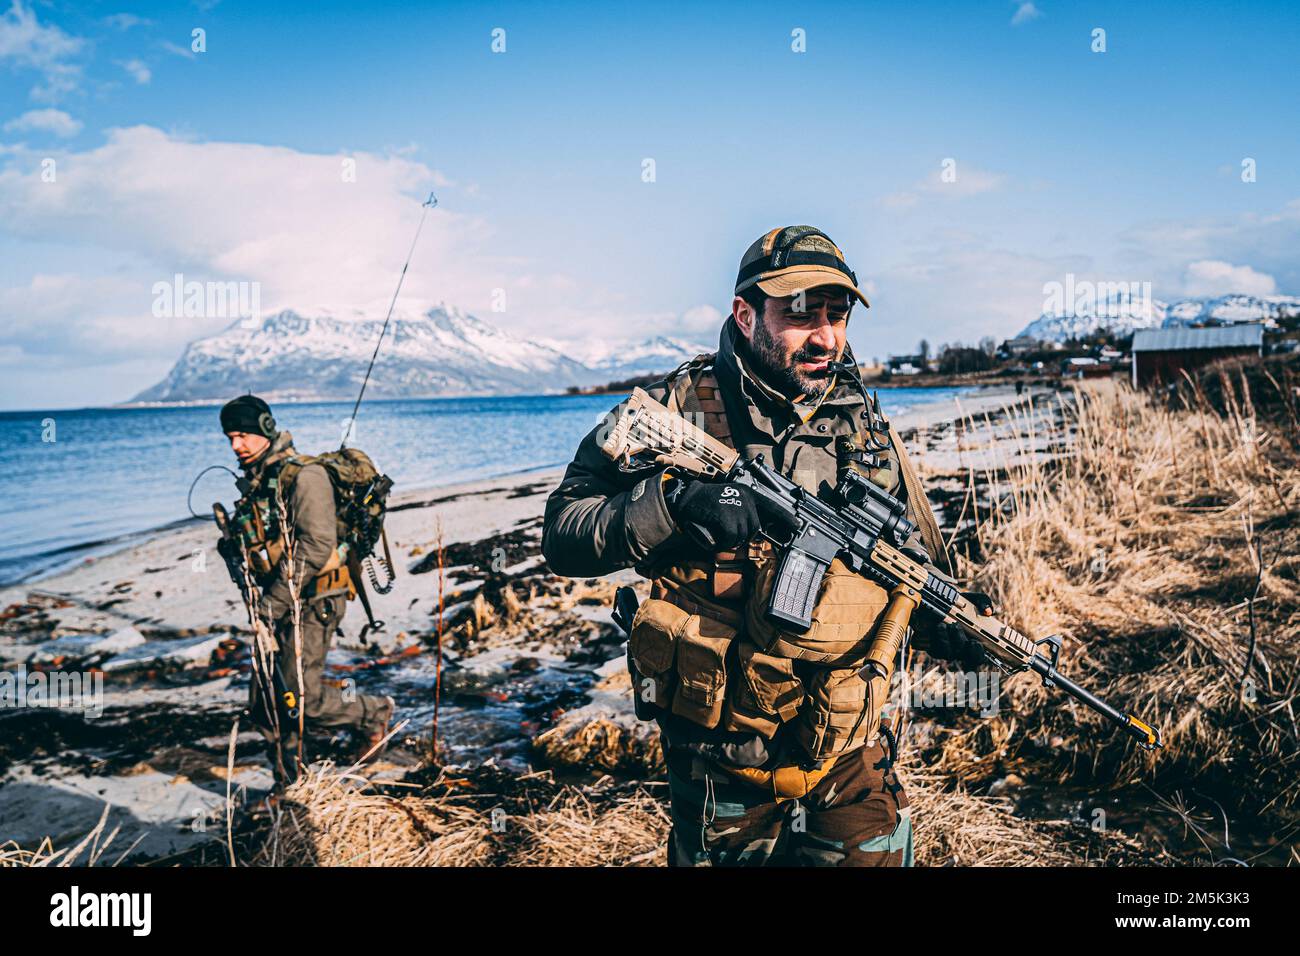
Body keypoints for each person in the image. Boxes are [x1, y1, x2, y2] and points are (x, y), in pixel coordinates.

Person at [542, 226, 989, 866]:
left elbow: (921, 564)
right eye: (801, 314)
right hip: (720, 765)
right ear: (745, 314)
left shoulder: (865, 423)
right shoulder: (678, 407)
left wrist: (965, 628)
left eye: (837, 316)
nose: (826, 336)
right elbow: (562, 534)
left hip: (847, 753)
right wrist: (673, 508)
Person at [219, 394, 393, 785]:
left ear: (266, 429)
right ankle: (289, 783)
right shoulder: (260, 480)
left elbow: (316, 547)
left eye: (244, 435)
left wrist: (270, 606)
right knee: (266, 700)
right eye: (230, 437)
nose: (236, 446)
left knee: (303, 699)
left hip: (315, 600)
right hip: (277, 603)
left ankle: (372, 713)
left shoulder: (305, 477)